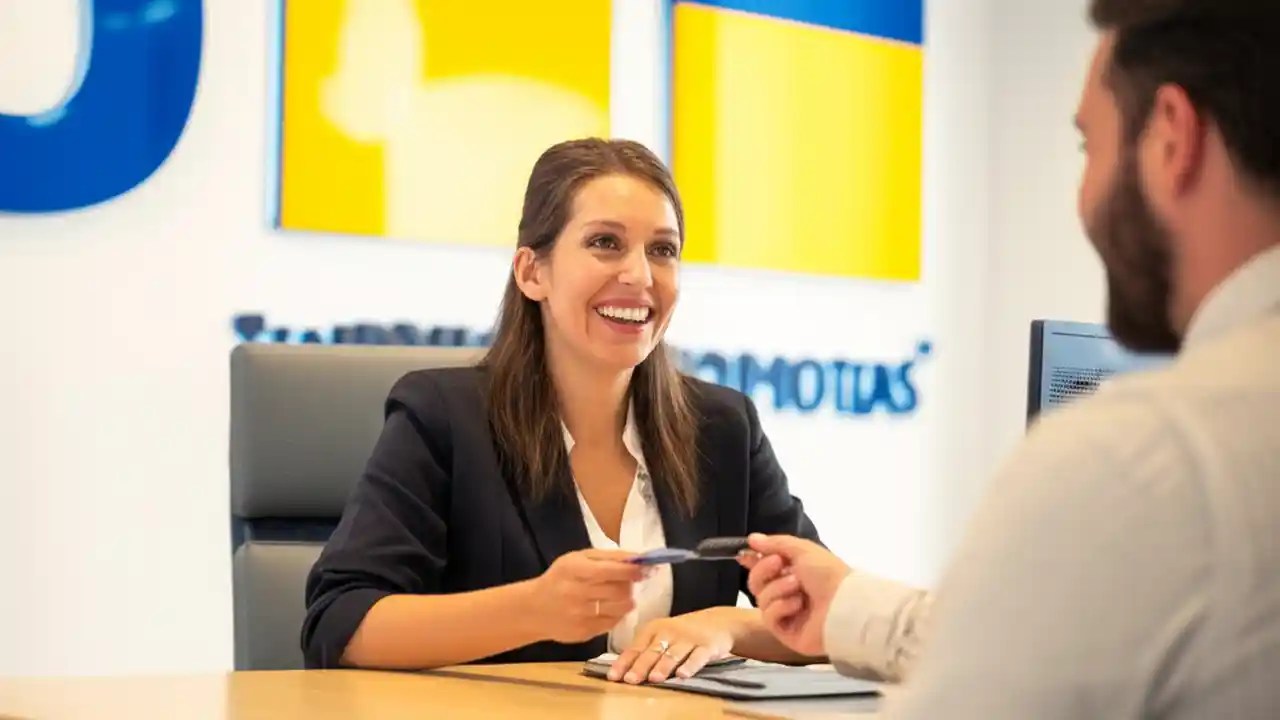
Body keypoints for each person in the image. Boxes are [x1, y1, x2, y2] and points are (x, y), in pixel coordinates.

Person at [743, 1, 1280, 717]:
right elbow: (1087, 637)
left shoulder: (1145, 459)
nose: (1084, 196)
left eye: (1089, 147)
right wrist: (852, 606)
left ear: (1173, 139)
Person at [301, 138, 822, 682]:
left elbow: (824, 614)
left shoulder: (722, 427)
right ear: (532, 273)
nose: (641, 276)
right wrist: (533, 609)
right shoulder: (442, 417)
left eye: (663, 250)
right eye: (605, 243)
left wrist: (724, 627)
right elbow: (339, 624)